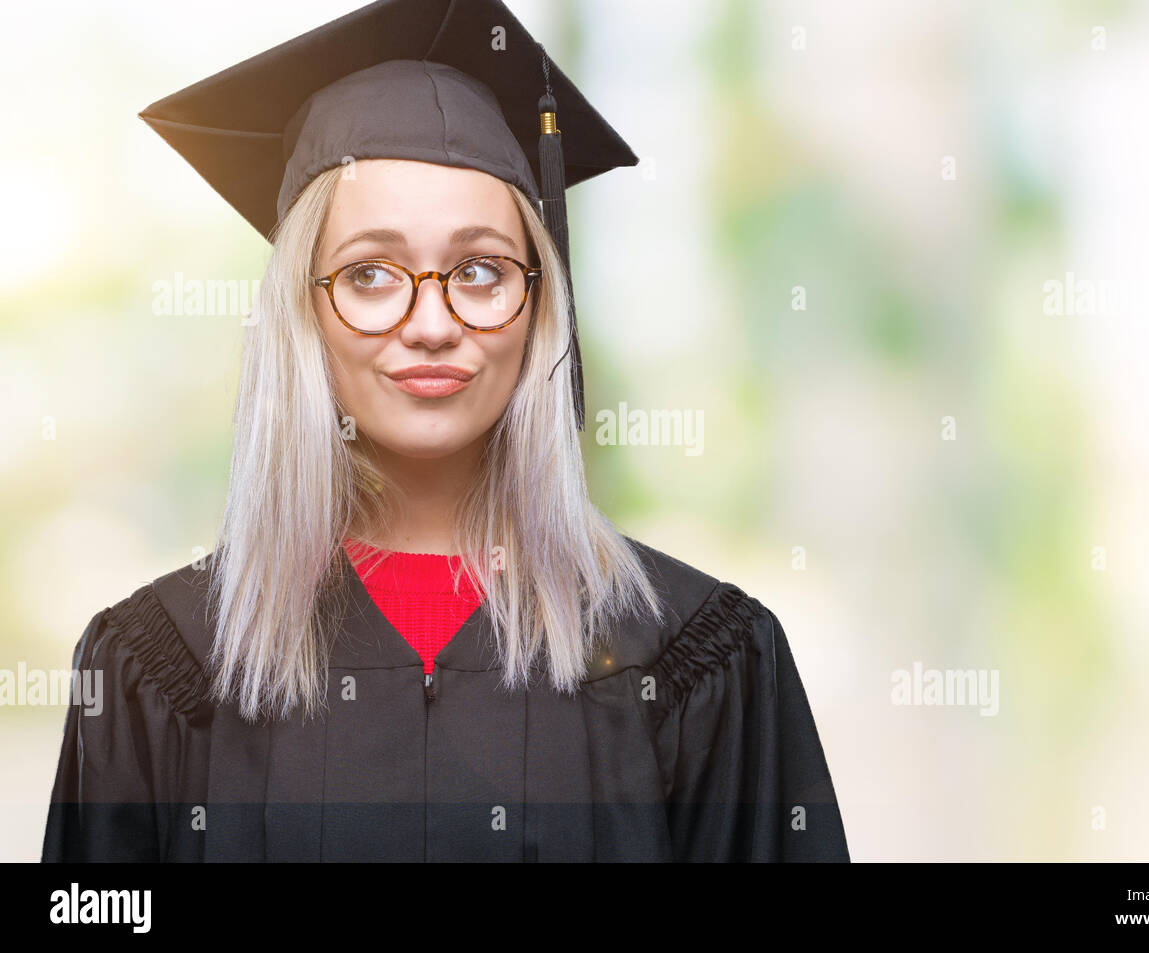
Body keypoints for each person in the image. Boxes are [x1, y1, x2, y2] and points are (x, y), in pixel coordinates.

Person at [41, 0, 850, 862]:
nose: (431, 323)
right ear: (299, 313)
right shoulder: (161, 668)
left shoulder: (699, 663)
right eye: (371, 273)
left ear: (539, 302)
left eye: (479, 270)